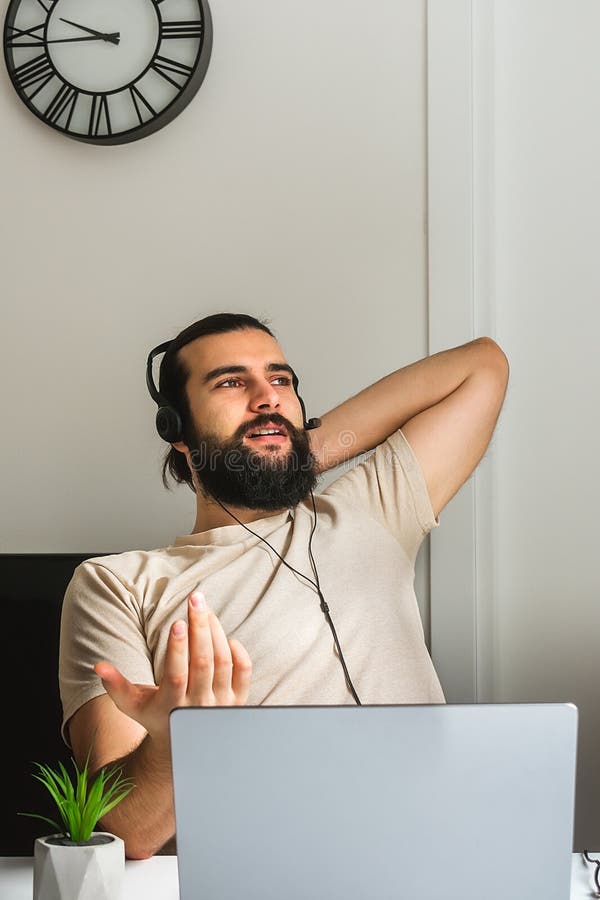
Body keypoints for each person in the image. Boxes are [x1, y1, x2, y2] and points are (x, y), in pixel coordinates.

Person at [58, 312, 509, 859]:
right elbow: (119, 832)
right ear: (176, 431)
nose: (267, 396)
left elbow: (482, 366)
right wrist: (178, 746)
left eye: (281, 380)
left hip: (440, 853)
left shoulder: (372, 511)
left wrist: (291, 451)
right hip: (268, 874)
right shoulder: (117, 584)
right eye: (230, 382)